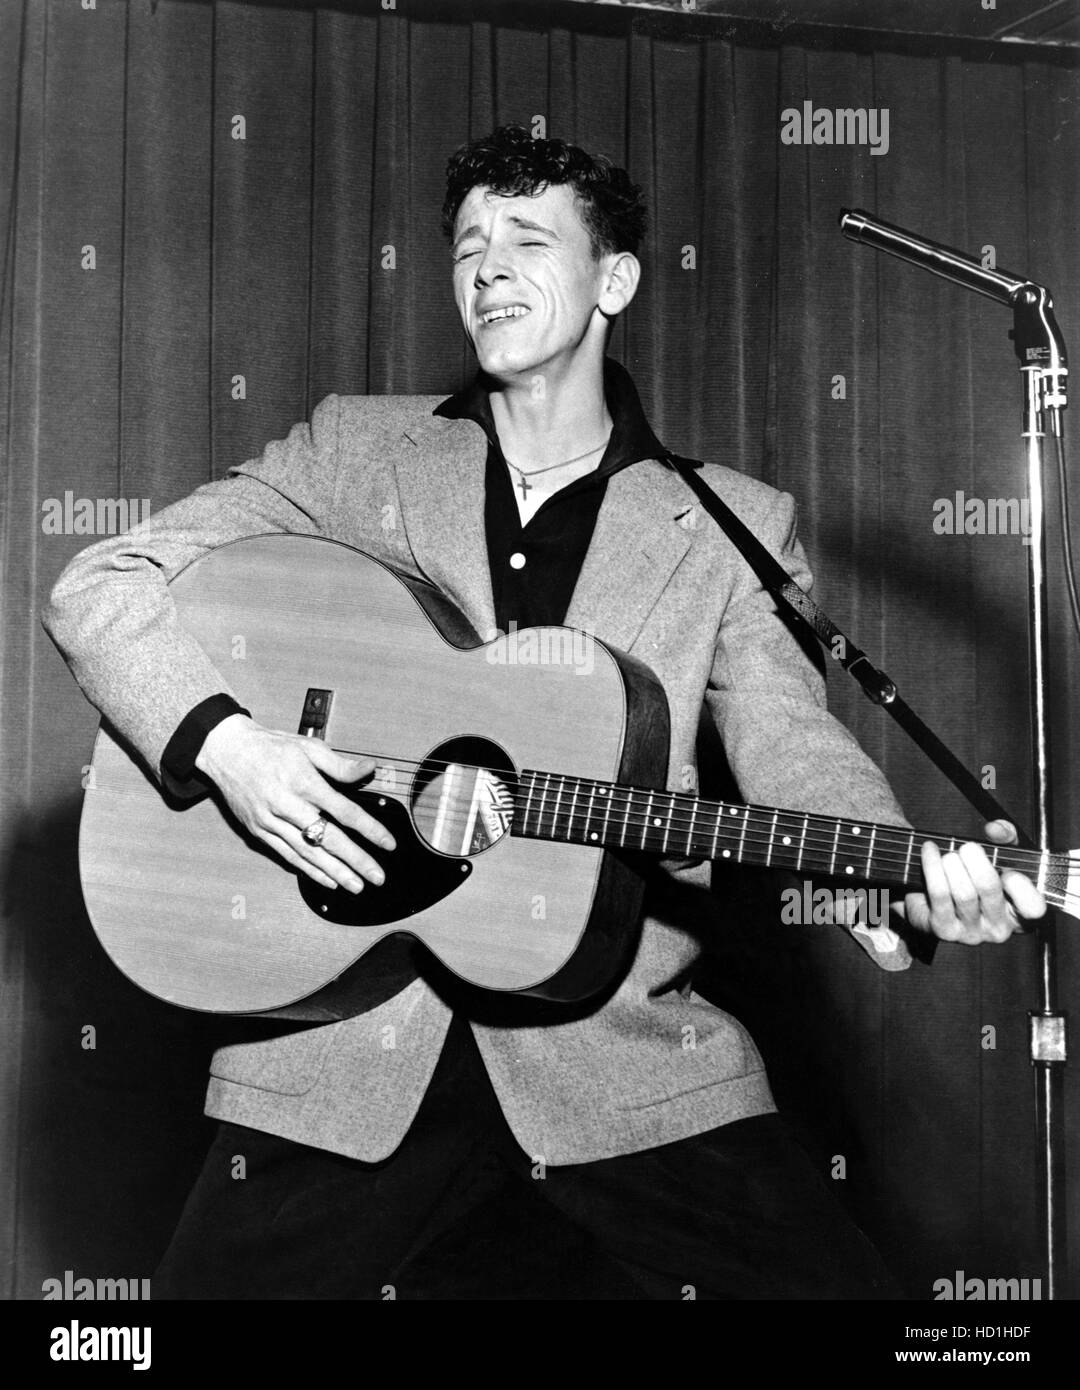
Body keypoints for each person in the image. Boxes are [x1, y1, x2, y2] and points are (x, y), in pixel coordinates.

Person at [43, 125, 1045, 1300]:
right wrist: (233, 746)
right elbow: (97, 585)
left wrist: (894, 870)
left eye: (530, 238)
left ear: (616, 279)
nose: (490, 268)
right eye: (469, 244)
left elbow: (792, 746)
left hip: (619, 1064)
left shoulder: (726, 523)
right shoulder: (353, 452)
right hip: (347, 1052)